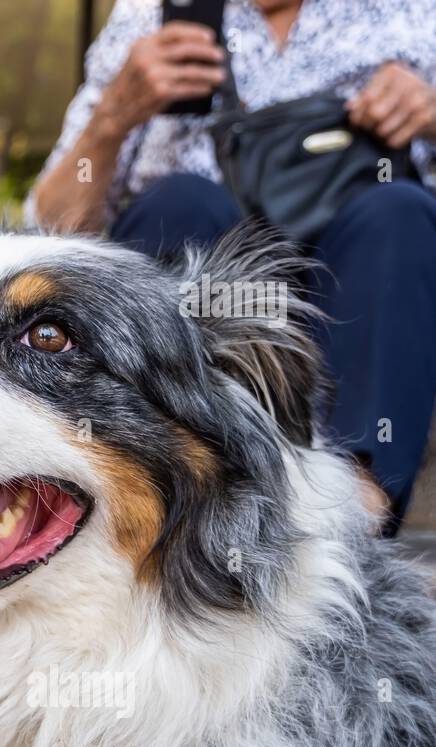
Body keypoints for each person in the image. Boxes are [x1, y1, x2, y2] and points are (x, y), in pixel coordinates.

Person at [27, 0, 436, 533]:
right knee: (182, 198)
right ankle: (160, 486)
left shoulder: (409, 13)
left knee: (399, 212)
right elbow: (49, 230)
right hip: (205, 300)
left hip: (349, 304)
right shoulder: (149, 20)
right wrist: (114, 114)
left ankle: (354, 518)